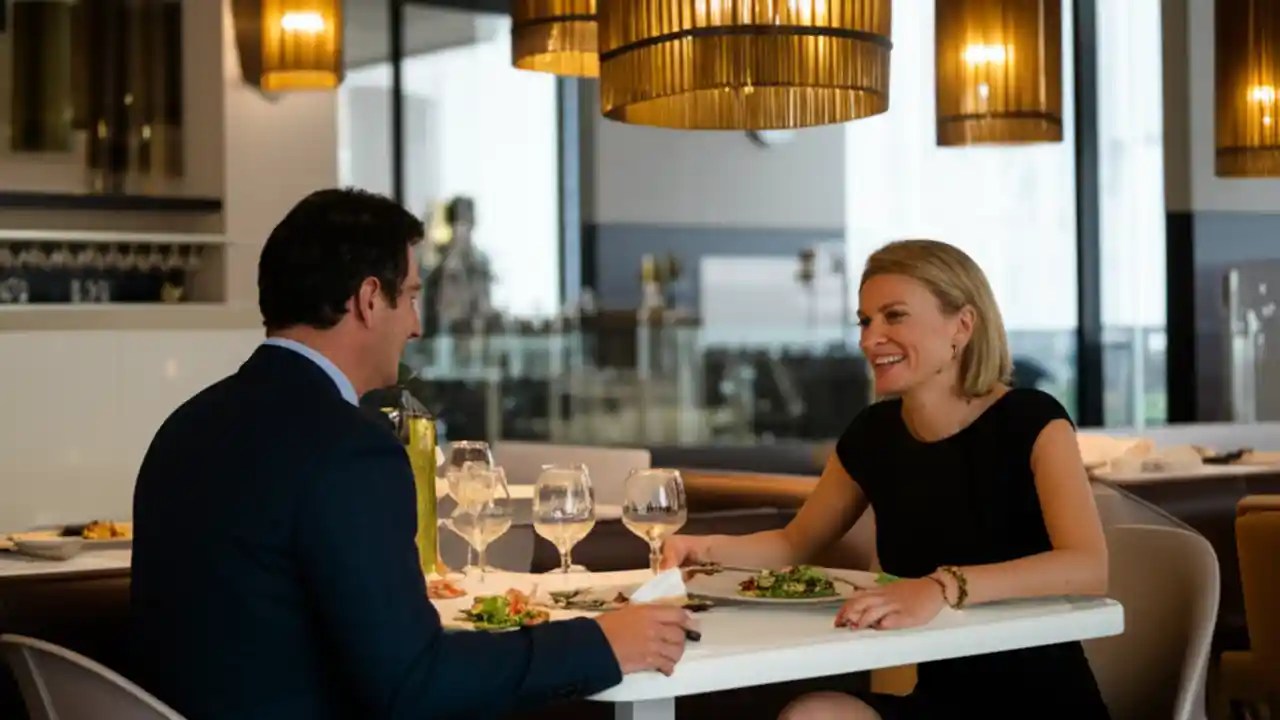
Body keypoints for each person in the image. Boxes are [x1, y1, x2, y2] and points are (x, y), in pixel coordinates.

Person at [130, 188, 696, 720]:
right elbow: (412, 684)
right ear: (370, 299)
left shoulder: (185, 426)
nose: (418, 327)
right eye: (413, 297)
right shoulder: (351, 452)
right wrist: (602, 643)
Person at [661, 239, 1111, 719]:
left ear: (962, 325)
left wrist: (940, 588)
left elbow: (1088, 567)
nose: (870, 338)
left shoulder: (1033, 420)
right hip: (939, 703)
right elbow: (795, 544)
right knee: (813, 714)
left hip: (1045, 705)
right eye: (865, 320)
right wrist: (703, 550)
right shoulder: (873, 433)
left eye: (894, 316)